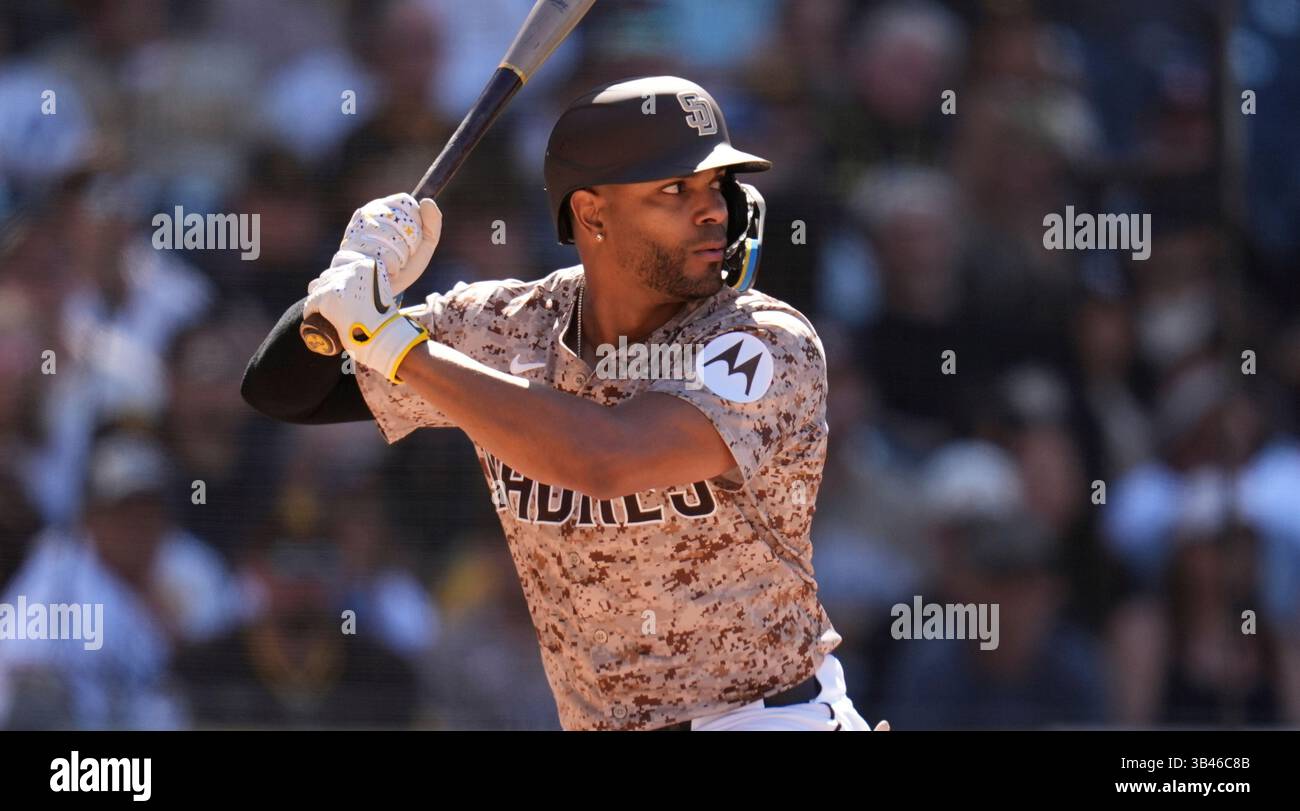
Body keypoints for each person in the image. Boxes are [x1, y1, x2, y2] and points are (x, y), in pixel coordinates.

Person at [242, 75, 887, 731]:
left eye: (718, 185)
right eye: (675, 189)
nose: (714, 209)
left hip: (763, 717)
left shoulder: (763, 340)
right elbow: (283, 390)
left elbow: (605, 458)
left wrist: (393, 343)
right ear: (592, 213)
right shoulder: (506, 325)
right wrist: (348, 279)